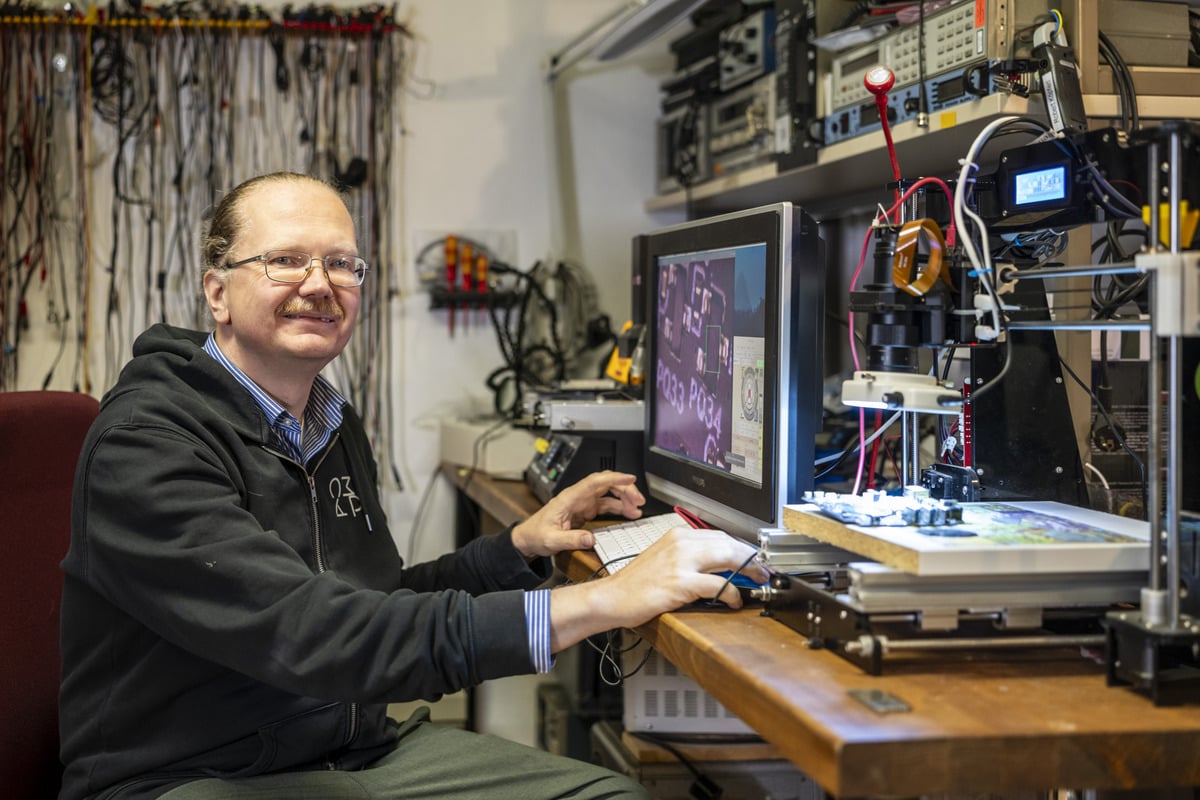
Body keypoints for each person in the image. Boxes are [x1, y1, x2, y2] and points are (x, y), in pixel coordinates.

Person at [59, 171, 768, 800]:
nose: (319, 283)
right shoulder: (147, 444)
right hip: (195, 774)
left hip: (353, 750)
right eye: (285, 261)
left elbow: (376, 604)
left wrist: (512, 549)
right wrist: (606, 600)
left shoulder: (330, 424)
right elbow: (312, 635)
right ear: (218, 291)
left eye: (342, 264)